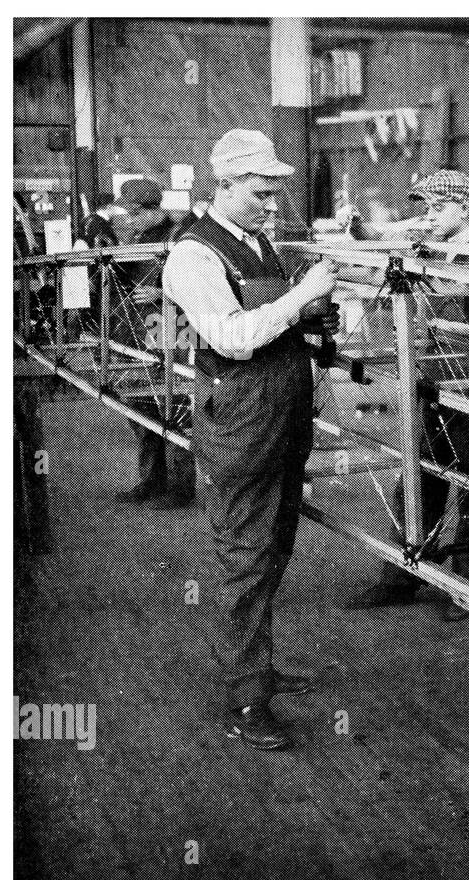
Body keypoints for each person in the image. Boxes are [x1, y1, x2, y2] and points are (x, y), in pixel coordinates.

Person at [162, 129, 339, 751]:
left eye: (274, 194)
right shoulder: (192, 255)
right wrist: (302, 297)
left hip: (283, 415)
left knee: (276, 547)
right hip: (239, 420)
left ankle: (256, 663)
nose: (272, 205)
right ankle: (246, 697)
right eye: (261, 193)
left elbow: (283, 323)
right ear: (227, 185)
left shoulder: (256, 240)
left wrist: (311, 322)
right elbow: (231, 337)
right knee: (245, 555)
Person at [347, 169, 469, 621]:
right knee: (418, 476)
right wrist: (363, 229)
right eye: (426, 208)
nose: (430, 216)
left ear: (466, 208)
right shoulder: (430, 251)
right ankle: (405, 572)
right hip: (430, 378)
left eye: (440, 208)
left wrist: (446, 327)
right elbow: (373, 241)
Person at [111, 178, 197, 506]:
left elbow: (197, 279)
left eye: (132, 212)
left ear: (150, 210)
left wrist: (163, 294)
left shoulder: (183, 231)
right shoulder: (141, 234)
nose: (127, 218)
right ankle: (151, 481)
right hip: (142, 323)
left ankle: (179, 486)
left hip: (173, 320)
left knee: (174, 402)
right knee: (141, 403)